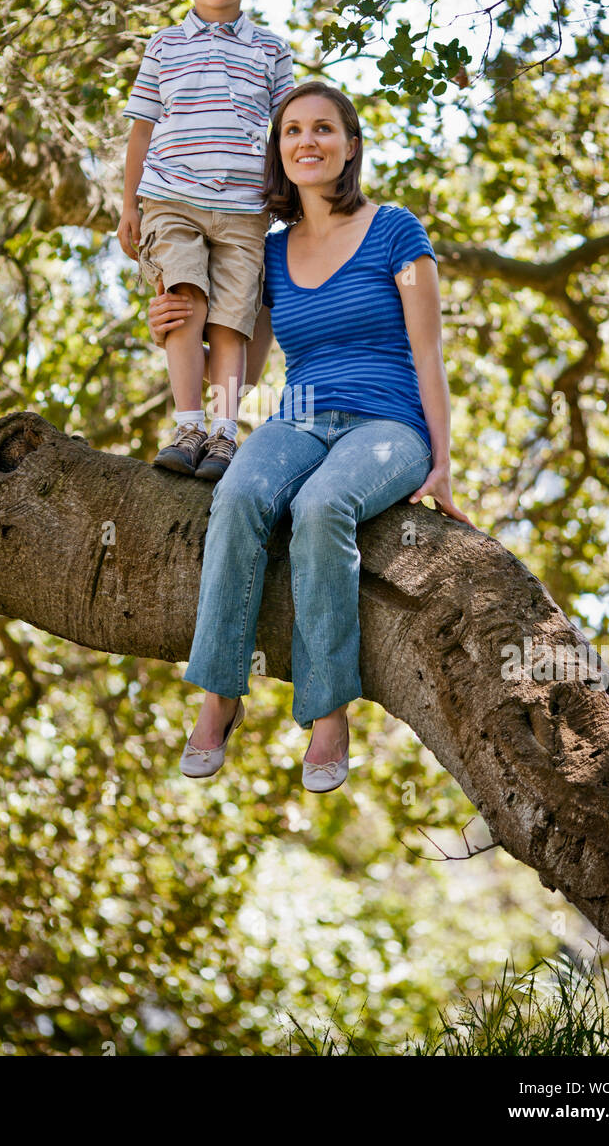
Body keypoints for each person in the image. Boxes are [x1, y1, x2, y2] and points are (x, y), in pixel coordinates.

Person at [148, 81, 475, 792]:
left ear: (349, 146)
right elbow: (249, 364)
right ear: (279, 149)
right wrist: (179, 335)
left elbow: (429, 355)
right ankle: (219, 695)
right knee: (237, 496)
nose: (307, 141)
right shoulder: (268, 251)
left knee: (322, 507)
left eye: (323, 129)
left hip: (388, 425)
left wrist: (442, 463)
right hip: (296, 417)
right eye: (292, 131)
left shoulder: (398, 231)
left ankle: (327, 711)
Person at [118, 0, 294, 481]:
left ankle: (223, 432)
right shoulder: (164, 45)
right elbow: (142, 127)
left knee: (233, 319)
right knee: (185, 301)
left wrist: (291, 204)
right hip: (173, 197)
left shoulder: (271, 49)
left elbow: (286, 129)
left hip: (246, 211)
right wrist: (128, 207)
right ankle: (188, 422)